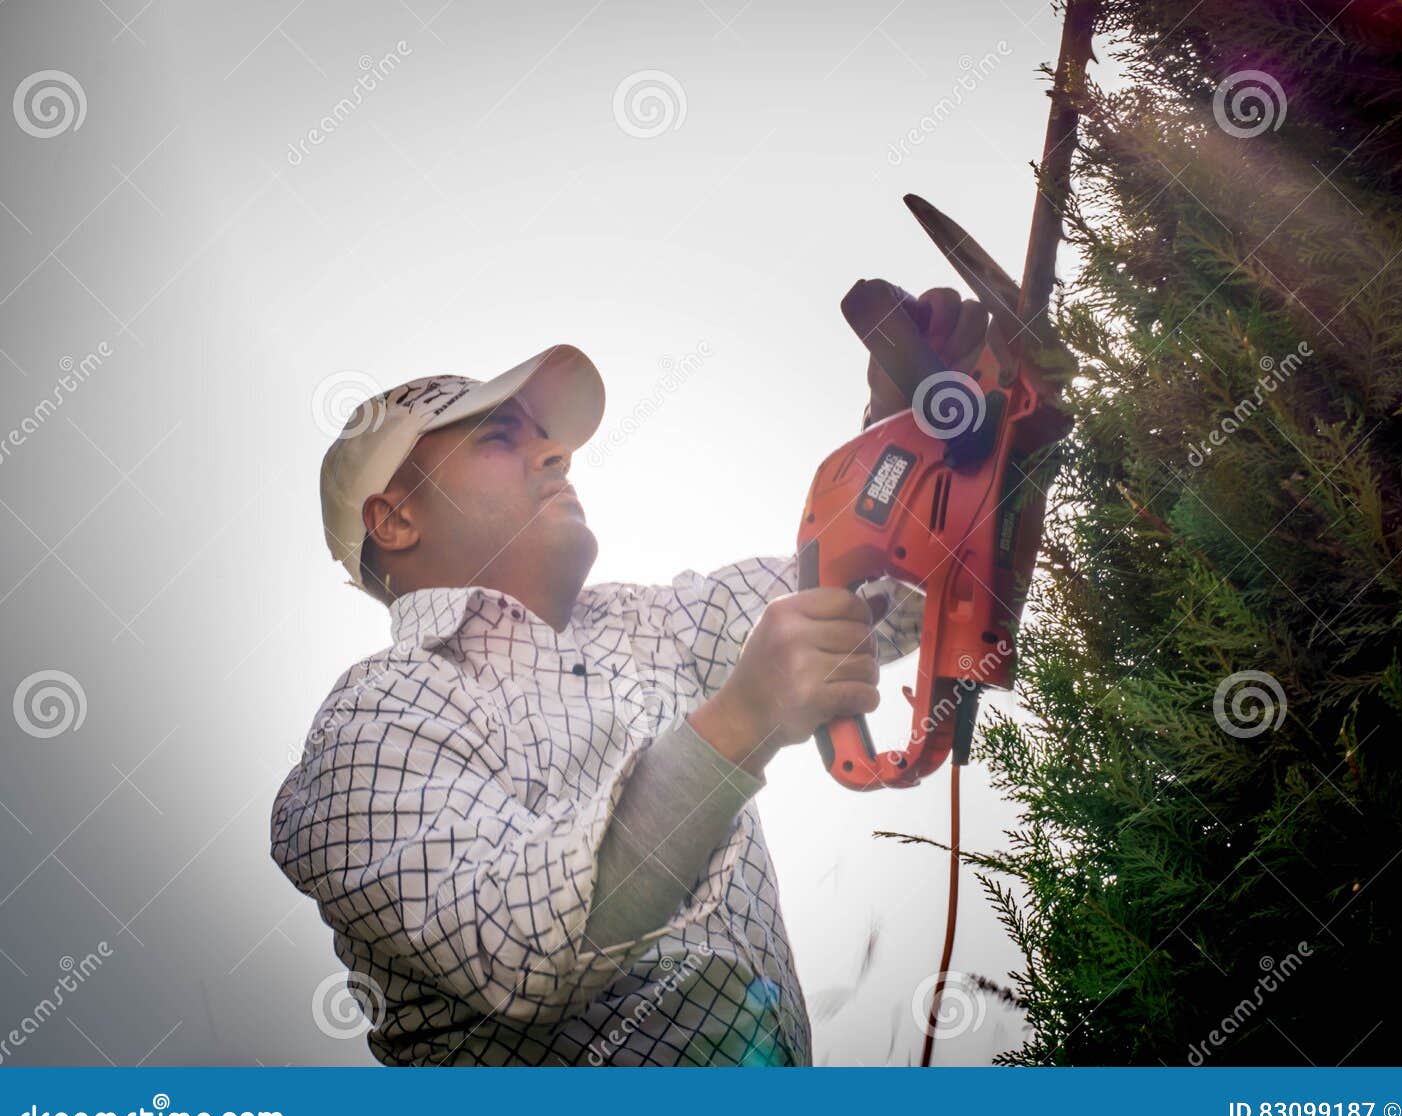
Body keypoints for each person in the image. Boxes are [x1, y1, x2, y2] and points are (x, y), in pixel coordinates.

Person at [270, 288, 989, 1065]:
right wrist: (739, 723)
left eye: (546, 437)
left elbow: (895, 590)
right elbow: (519, 944)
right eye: (498, 437)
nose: (555, 453)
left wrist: (917, 434)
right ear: (396, 520)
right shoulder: (372, 719)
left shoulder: (648, 621)